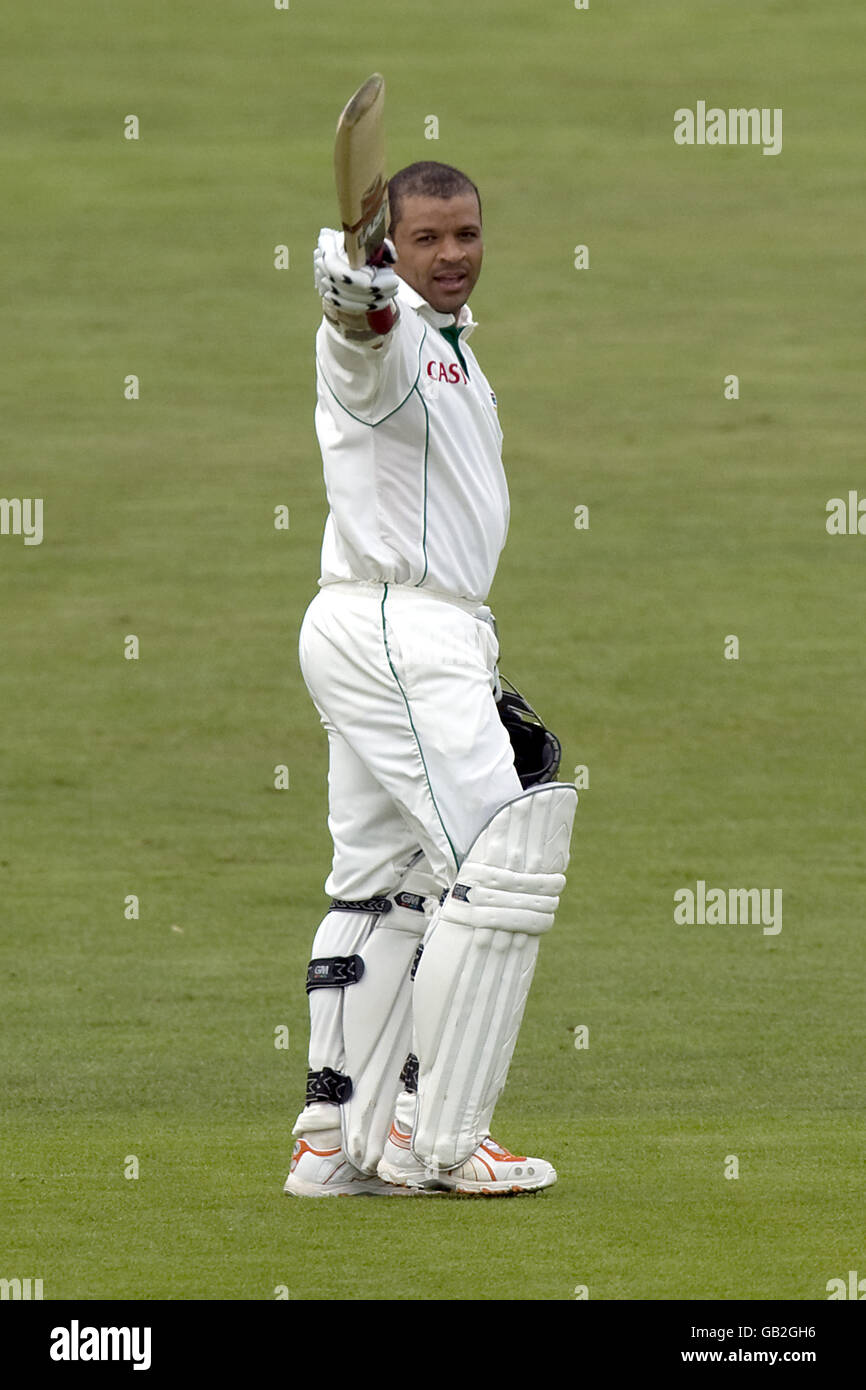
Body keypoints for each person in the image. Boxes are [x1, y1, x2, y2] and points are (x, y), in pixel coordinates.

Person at [284, 161, 577, 1197]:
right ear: (391, 248)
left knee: (379, 882)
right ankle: (438, 1137)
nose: (451, 255)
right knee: (501, 865)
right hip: (401, 625)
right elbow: (352, 332)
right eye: (427, 240)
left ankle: (333, 1141)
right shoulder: (390, 336)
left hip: (377, 624)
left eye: (466, 234)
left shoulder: (451, 347)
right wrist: (352, 282)